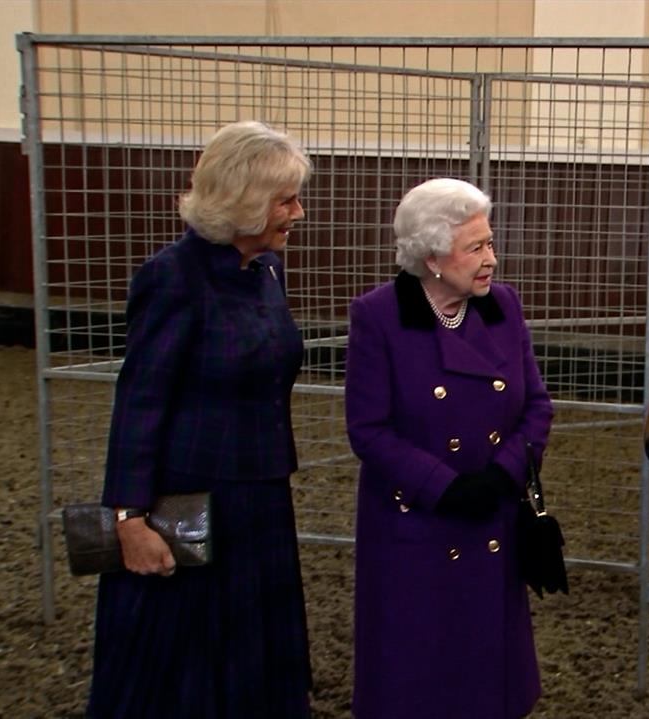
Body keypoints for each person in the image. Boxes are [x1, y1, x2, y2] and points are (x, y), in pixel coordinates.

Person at [89, 121, 313, 718]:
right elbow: (140, 400)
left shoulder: (265, 270)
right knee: (181, 665)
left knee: (250, 658)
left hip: (261, 495)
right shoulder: (173, 277)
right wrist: (129, 518)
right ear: (244, 204)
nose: (299, 210)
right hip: (190, 504)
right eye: (285, 200)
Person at [345, 178, 554, 718]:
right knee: (419, 676)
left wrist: (502, 475)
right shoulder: (378, 317)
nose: (491, 258)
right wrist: (445, 487)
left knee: (487, 677)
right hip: (416, 526)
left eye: (490, 242)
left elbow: (537, 408)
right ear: (434, 256)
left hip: (493, 517)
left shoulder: (503, 305)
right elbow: (368, 429)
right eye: (476, 247)